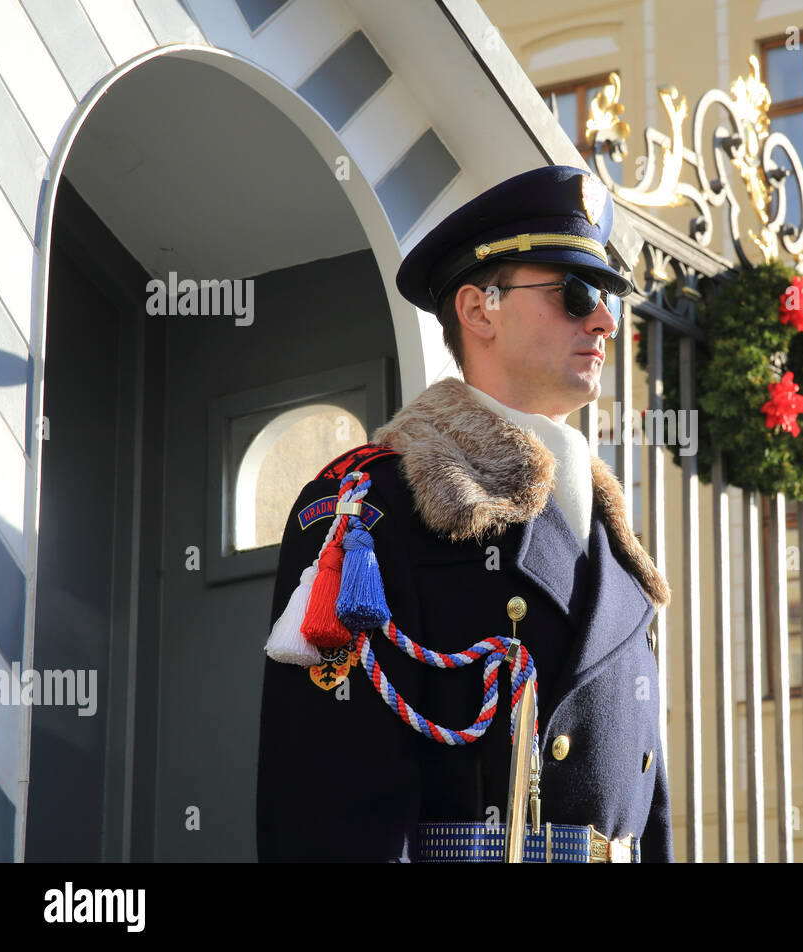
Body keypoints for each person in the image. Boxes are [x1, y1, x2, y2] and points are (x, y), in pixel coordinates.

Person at [255, 165, 673, 862]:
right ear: (480, 311)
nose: (603, 319)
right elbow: (327, 808)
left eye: (608, 301)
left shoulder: (617, 548)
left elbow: (645, 818)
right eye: (575, 294)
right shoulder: (372, 508)